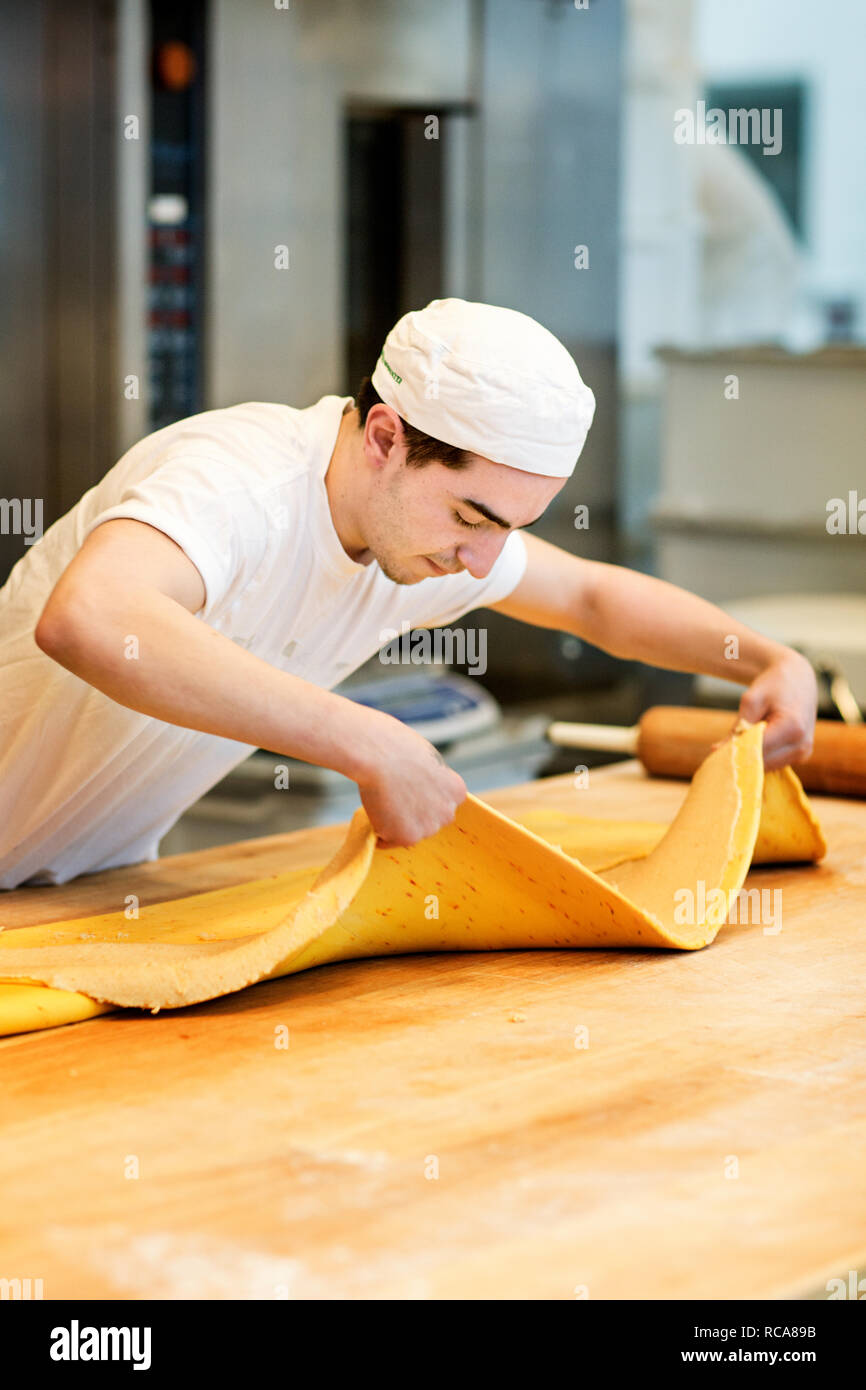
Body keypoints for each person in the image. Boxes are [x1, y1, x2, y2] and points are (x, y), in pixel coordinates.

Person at [0, 298, 816, 888]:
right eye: (473, 517)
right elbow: (92, 617)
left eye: (511, 528)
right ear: (387, 438)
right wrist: (372, 741)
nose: (480, 562)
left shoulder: (419, 536)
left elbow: (591, 601)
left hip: (83, 886)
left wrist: (765, 659)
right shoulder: (240, 480)